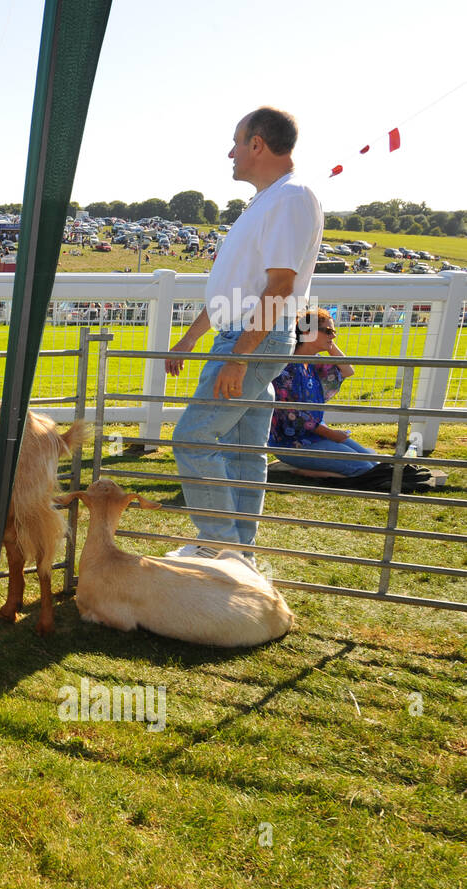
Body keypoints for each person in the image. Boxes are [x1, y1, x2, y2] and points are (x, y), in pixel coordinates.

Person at [164, 107, 324, 557]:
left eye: (237, 142)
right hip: (244, 334)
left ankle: (218, 548)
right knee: (243, 451)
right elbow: (237, 289)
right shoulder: (272, 199)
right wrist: (192, 337)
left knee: (193, 437)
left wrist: (239, 357)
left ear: (257, 144)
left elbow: (279, 286)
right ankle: (239, 554)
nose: (230, 152)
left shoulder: (291, 198)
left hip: (251, 340)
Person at [267, 308, 375, 479]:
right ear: (307, 332)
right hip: (292, 445)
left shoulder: (313, 363)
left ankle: (296, 467)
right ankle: (292, 468)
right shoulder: (285, 370)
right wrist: (333, 435)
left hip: (316, 437)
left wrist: (328, 342)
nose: (333, 336)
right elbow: (296, 419)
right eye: (328, 331)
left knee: (375, 465)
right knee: (364, 471)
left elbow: (347, 370)